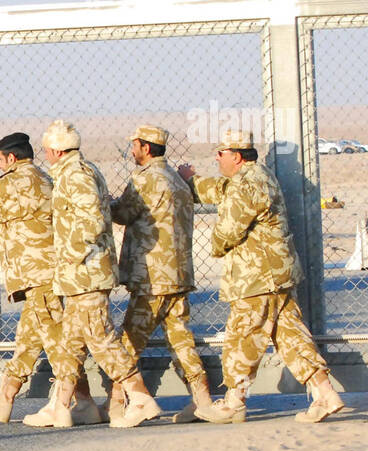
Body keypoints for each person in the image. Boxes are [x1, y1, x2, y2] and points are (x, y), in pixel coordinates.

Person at [177, 131, 345, 423]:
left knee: (242, 337)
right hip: (272, 276)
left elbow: (226, 233)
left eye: (222, 153)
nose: (217, 158)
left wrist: (216, 242)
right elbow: (219, 189)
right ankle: (325, 393)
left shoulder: (247, 185)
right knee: (290, 335)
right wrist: (192, 181)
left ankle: (234, 402)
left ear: (237, 157)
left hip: (257, 278)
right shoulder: (253, 178)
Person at [0, 132, 103, 424]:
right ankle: (4, 397)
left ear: (11, 158)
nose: (0, 165)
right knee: (29, 339)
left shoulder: (13, 181)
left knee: (57, 341)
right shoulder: (45, 179)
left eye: (0, 160)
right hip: (47, 272)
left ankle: (77, 401)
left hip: (37, 274)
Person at [37, 120, 161, 429]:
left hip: (86, 274)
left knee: (102, 339)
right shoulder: (76, 172)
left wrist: (69, 257)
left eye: (46, 151)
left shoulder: (76, 176)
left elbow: (91, 224)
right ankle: (63, 405)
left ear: (54, 150)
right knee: (70, 342)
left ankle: (140, 396)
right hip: (79, 276)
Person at [109, 125, 211, 423]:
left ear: (146, 148)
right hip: (177, 274)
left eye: (136, 146)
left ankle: (123, 402)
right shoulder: (178, 181)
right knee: (180, 339)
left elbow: (123, 214)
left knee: (129, 340)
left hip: (152, 276)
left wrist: (106, 201)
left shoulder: (145, 179)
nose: (132, 151)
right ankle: (202, 398)